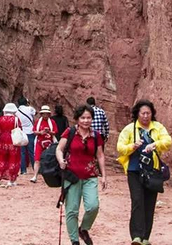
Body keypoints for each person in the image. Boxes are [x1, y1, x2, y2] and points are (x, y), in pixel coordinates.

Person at [117, 99, 172, 245]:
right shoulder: (130, 129)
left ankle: (145, 237)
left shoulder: (158, 127)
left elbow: (168, 141)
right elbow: (120, 147)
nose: (146, 116)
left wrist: (155, 144)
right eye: (143, 113)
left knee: (149, 203)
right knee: (137, 201)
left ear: (152, 114)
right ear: (137, 114)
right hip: (134, 170)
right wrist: (132, 146)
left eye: (148, 113)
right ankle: (136, 236)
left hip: (152, 171)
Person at [55, 103, 106, 245]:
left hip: (90, 176)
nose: (86, 121)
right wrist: (61, 160)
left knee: (93, 206)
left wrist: (104, 176)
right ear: (77, 119)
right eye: (83, 118)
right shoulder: (69, 132)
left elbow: (100, 155)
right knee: (72, 211)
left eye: (89, 118)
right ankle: (74, 241)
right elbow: (59, 149)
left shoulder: (96, 136)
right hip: (72, 176)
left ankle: (83, 229)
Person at [0, 102, 22, 187]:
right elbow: (20, 129)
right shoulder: (16, 119)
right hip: (13, 141)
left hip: (2, 141)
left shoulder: (1, 119)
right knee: (13, 159)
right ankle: (11, 179)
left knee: (1, 159)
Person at [30, 104, 56, 183]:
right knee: (37, 159)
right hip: (40, 142)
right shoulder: (38, 122)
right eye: (44, 114)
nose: (45, 115)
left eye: (46, 114)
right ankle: (35, 176)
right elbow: (34, 131)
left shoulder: (52, 122)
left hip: (49, 143)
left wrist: (49, 132)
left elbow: (55, 132)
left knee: (49, 160)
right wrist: (40, 132)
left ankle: (49, 175)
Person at [16, 95, 36, 173]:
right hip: (30, 132)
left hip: (21, 133)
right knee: (32, 151)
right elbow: (35, 113)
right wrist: (29, 104)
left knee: (22, 152)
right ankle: (35, 168)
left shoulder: (16, 111)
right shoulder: (30, 109)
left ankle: (23, 170)